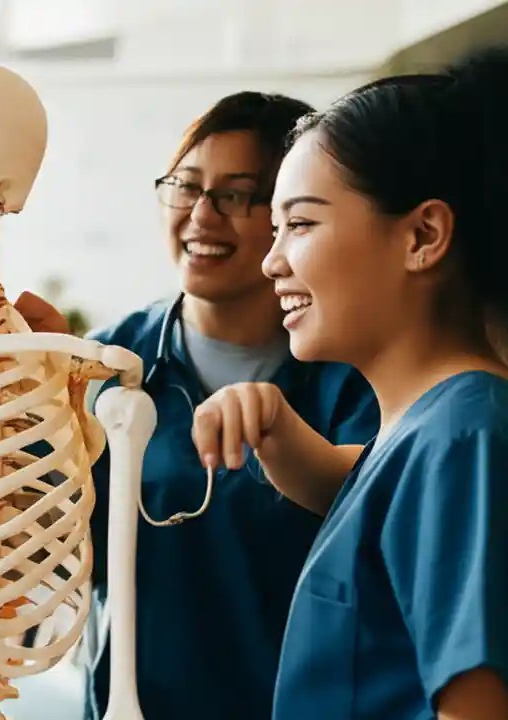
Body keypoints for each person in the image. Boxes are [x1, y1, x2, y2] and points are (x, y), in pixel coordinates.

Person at [20, 91, 380, 719]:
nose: (202, 216)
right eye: (185, 187)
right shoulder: (104, 365)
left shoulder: (352, 374)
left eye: (238, 195)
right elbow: (46, 549)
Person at [192, 47, 508, 719]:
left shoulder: (464, 434)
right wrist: (274, 426)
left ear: (423, 235)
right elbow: (357, 482)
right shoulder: (427, 430)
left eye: (301, 224)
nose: (272, 261)